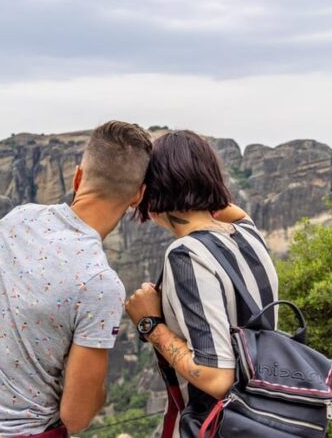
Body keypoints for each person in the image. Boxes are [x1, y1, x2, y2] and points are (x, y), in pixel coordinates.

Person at [0, 121, 153, 437]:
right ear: (138, 196)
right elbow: (76, 416)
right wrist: (97, 391)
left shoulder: (15, 220)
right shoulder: (100, 283)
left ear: (78, 177)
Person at [125, 130, 279, 437]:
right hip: (265, 417)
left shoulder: (186, 255)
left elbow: (216, 378)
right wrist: (202, 185)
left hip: (218, 426)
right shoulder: (247, 232)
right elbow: (230, 210)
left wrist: (150, 324)